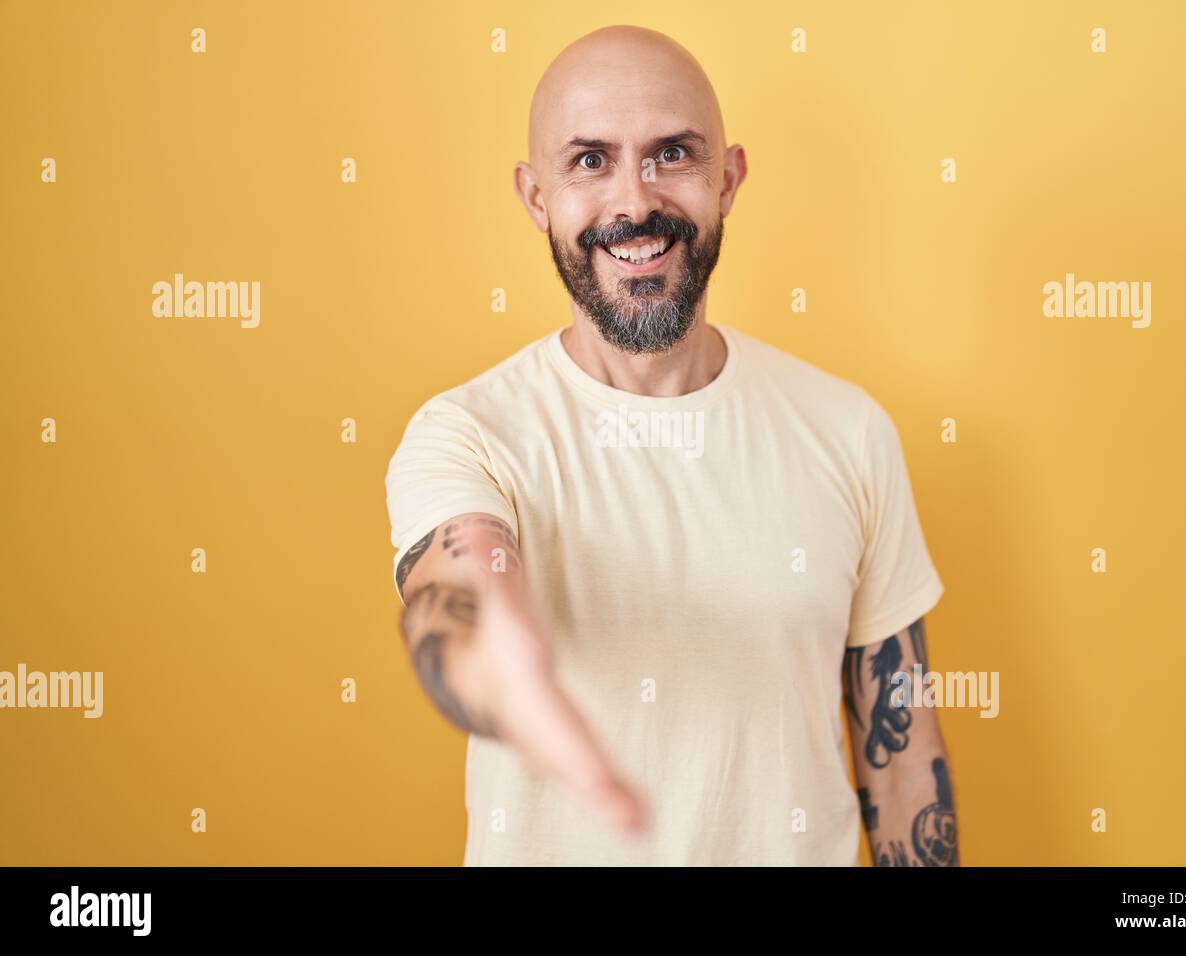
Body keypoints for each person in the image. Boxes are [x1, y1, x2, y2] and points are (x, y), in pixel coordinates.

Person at [385, 24, 957, 866]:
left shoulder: (849, 430)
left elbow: (901, 759)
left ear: (728, 179)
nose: (634, 203)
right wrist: (497, 658)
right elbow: (458, 584)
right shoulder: (469, 433)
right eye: (590, 160)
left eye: (673, 154)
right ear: (536, 196)